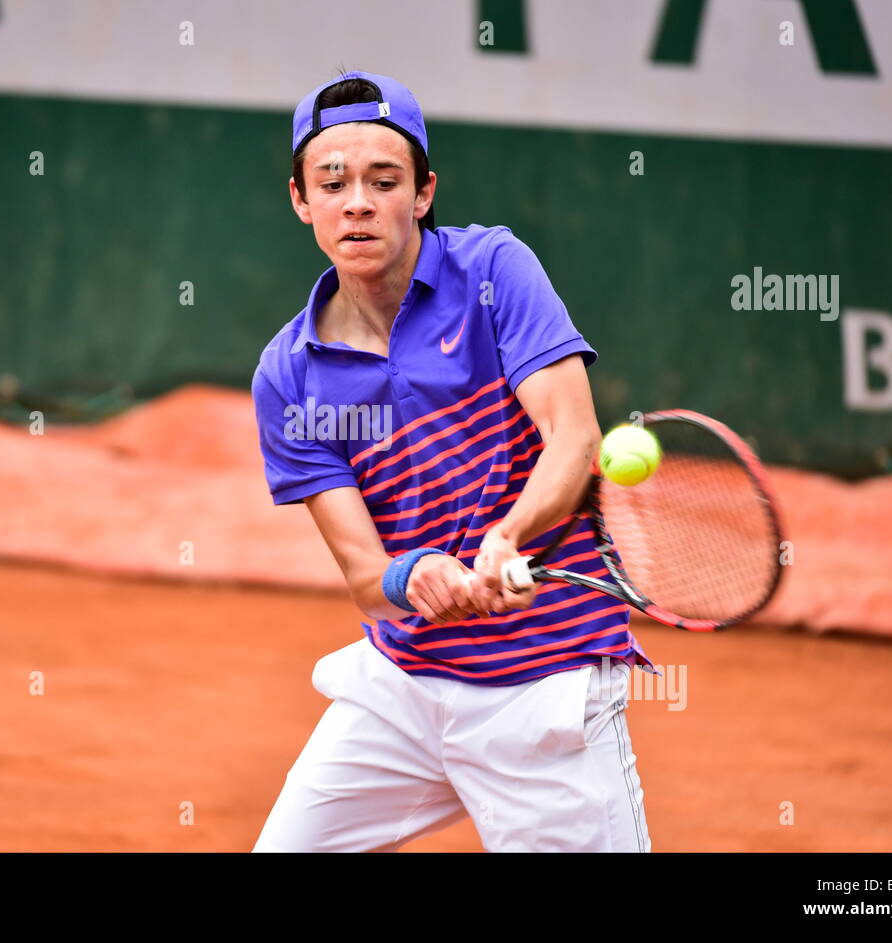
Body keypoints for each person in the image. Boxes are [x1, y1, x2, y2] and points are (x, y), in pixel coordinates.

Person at [250, 69, 654, 852]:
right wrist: (416, 575)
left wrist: (508, 535)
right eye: (332, 182)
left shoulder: (495, 273)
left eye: (384, 180)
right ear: (301, 200)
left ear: (424, 192)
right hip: (401, 689)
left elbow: (573, 439)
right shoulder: (288, 373)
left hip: (545, 683)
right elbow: (368, 578)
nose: (357, 201)